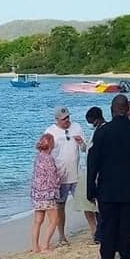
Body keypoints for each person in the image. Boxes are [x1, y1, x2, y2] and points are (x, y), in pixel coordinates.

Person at [87, 94, 130, 259]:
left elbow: (93, 163)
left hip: (108, 190)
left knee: (108, 228)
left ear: (112, 110)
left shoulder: (102, 132)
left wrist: (90, 189)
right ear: (127, 110)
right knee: (127, 228)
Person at [46, 106, 86, 246]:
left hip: (76, 174)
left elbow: (85, 148)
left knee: (87, 203)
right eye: (64, 119)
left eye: (68, 117)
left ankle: (96, 231)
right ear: (57, 119)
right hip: (60, 177)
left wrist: (81, 143)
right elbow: (46, 152)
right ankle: (62, 236)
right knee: (60, 207)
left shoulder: (76, 127)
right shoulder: (51, 131)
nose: (67, 120)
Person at [74, 107, 105, 242]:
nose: (90, 124)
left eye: (90, 121)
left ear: (96, 120)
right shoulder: (97, 132)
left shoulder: (102, 132)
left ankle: (98, 232)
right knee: (90, 204)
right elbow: (90, 150)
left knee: (93, 204)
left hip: (96, 172)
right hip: (90, 170)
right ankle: (96, 231)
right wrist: (82, 144)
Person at [29, 133, 60, 251]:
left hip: (36, 194)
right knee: (54, 220)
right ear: (51, 145)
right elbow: (52, 178)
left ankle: (35, 246)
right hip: (47, 194)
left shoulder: (38, 157)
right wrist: (59, 181)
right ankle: (45, 246)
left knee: (38, 221)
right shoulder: (49, 159)